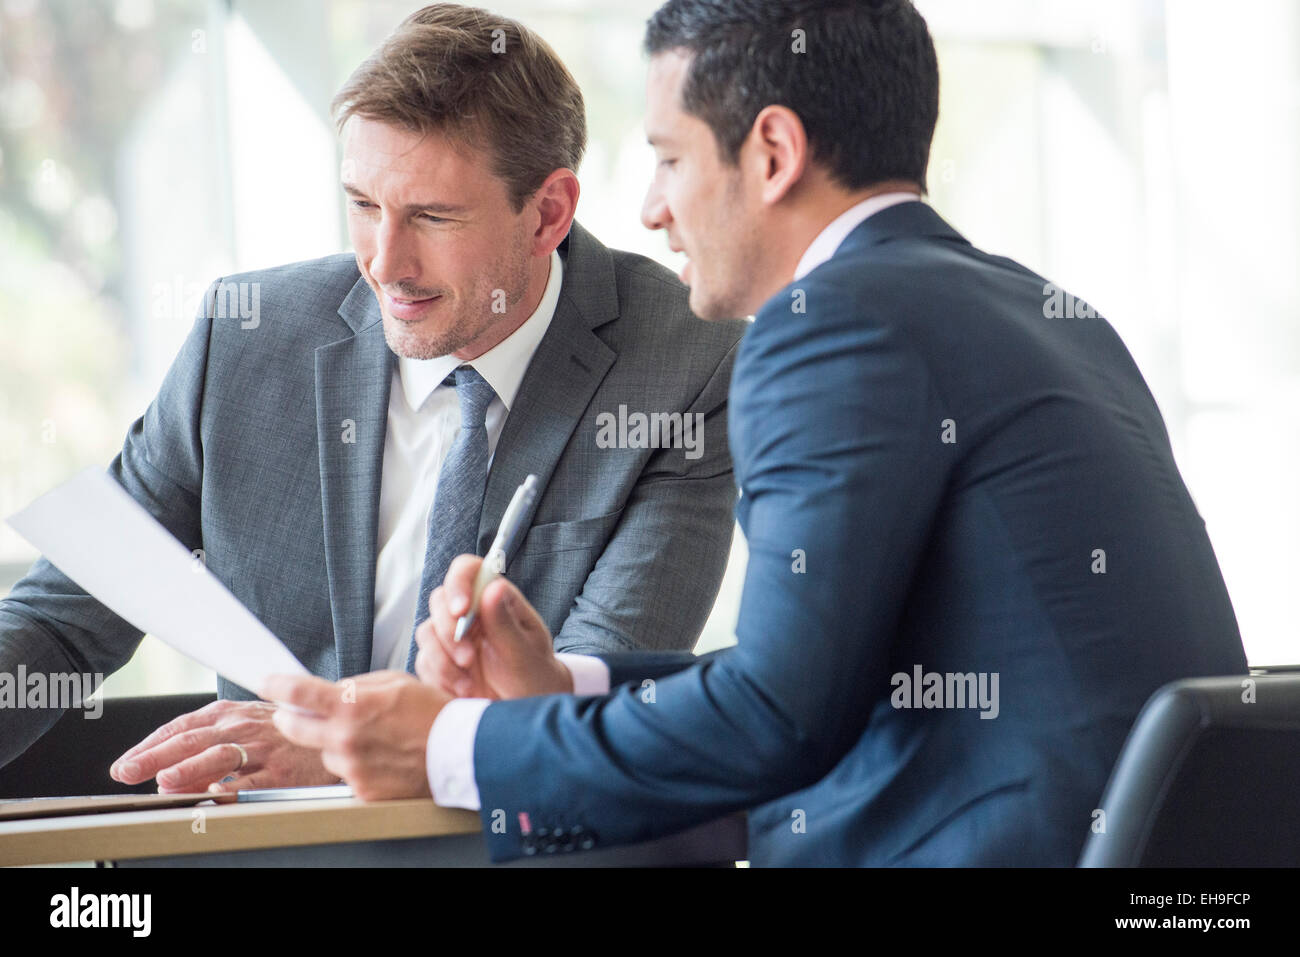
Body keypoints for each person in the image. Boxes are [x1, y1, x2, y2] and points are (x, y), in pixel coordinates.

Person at [267, 0, 1248, 865]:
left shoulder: (828, 324)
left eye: (668, 158)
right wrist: (564, 680)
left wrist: (445, 748)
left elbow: (777, 721)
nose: (650, 210)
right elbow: (820, 677)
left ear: (771, 153)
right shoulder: (1046, 314)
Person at [0, 3, 746, 794]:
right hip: (282, 857)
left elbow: (598, 701)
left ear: (549, 213)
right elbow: (60, 621)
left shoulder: (687, 361)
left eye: (432, 216)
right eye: (362, 204)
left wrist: (349, 745)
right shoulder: (245, 341)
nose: (385, 263)